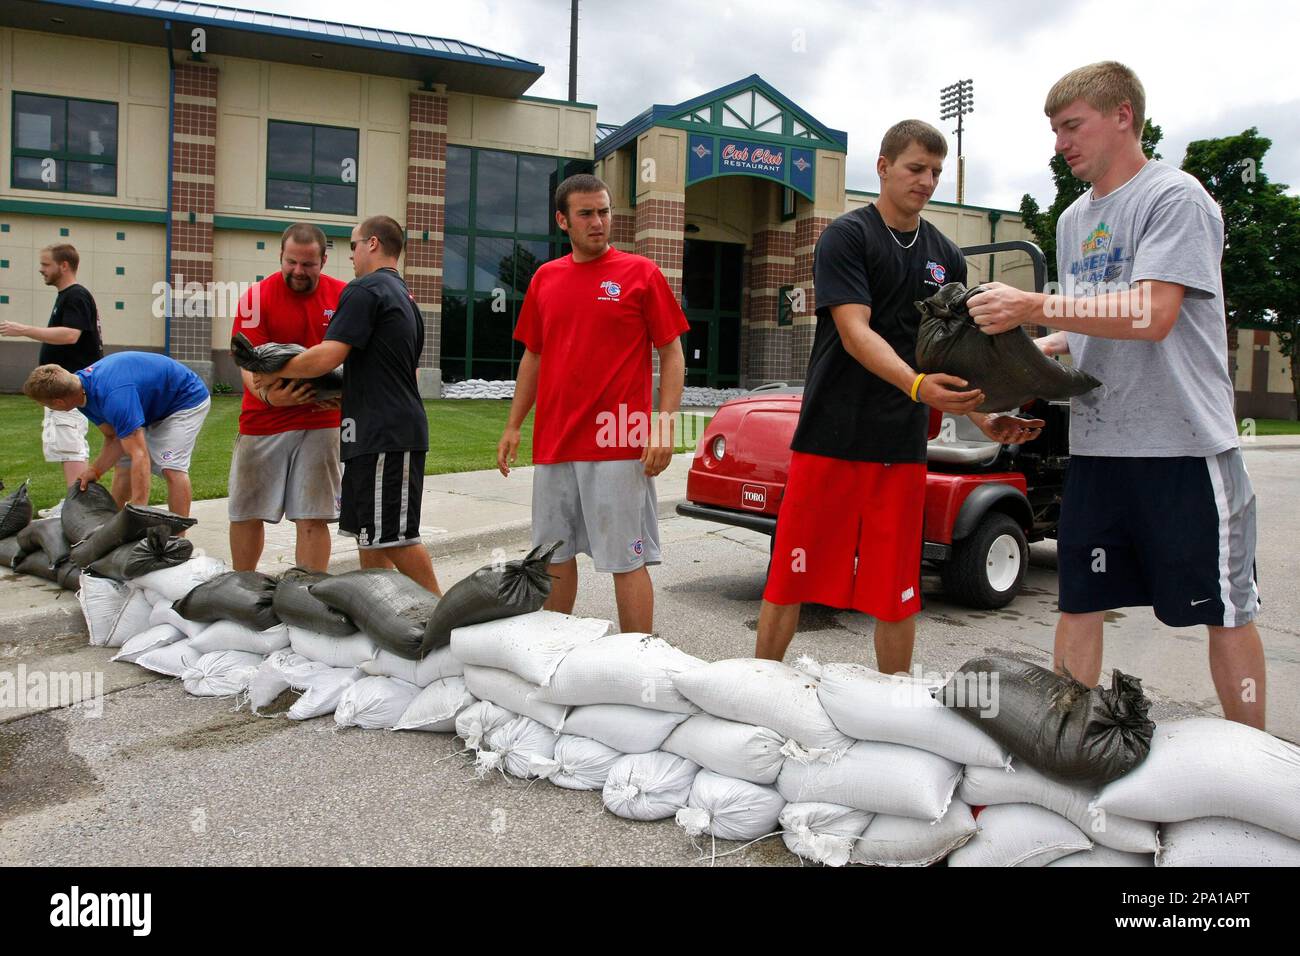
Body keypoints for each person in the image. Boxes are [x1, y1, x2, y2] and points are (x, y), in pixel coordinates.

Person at [967, 61, 1265, 728]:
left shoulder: (1175, 199)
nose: (1060, 143)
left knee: (1224, 610)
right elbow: (1080, 324)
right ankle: (1066, 741)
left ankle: (1257, 764)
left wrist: (1032, 304)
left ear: (1123, 114)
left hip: (1184, 447)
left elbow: (1153, 313)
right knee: (1080, 600)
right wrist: (1019, 370)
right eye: (1053, 130)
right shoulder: (1075, 221)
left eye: (1072, 126)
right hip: (1101, 449)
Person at [755, 120, 1043, 669]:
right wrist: (915, 384)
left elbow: (949, 358)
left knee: (896, 591)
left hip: (900, 446)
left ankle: (891, 706)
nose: (927, 181)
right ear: (883, 167)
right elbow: (855, 332)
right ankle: (757, 684)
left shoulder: (946, 258)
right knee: (792, 577)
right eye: (916, 168)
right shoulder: (847, 236)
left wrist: (985, 414)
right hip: (830, 437)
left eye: (935, 171)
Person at [497, 173, 687, 634]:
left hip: (618, 439)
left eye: (604, 211)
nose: (599, 222)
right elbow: (534, 356)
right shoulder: (546, 278)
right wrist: (514, 424)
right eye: (587, 213)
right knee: (553, 559)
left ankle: (638, 659)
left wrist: (663, 427)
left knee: (625, 559)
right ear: (563, 220)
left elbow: (672, 352)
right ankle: (551, 653)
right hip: (556, 442)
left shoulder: (640, 274)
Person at [255, 215, 440, 594]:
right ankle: (384, 609)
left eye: (353, 245)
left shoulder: (365, 289)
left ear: (372, 243)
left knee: (394, 537)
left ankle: (445, 619)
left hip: (386, 434)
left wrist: (271, 365)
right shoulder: (400, 293)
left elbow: (326, 356)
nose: (351, 254)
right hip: (371, 434)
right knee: (371, 536)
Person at [228, 223, 347, 572]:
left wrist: (344, 394)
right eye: (291, 262)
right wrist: (268, 397)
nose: (298, 271)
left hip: (321, 422)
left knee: (313, 516)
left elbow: (353, 358)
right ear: (280, 256)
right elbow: (247, 363)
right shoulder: (256, 297)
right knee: (247, 512)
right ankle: (242, 585)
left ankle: (308, 592)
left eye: (308, 264)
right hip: (262, 421)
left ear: (323, 260)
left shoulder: (343, 297)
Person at [22, 353, 210, 516]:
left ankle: (177, 542)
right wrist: (94, 471)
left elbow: (140, 455)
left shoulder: (113, 397)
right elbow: (114, 437)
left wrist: (138, 507)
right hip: (150, 403)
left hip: (184, 400)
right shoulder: (80, 391)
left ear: (59, 403)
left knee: (171, 468)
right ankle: (114, 524)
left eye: (47, 405)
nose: (49, 409)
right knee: (123, 466)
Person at [1, 243, 103, 511]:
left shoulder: (76, 295)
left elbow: (71, 335)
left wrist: (24, 329)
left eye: (46, 264)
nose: (41, 269)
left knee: (70, 442)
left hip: (70, 386)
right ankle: (73, 501)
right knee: (64, 442)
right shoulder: (68, 296)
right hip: (64, 387)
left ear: (64, 265)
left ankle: (77, 505)